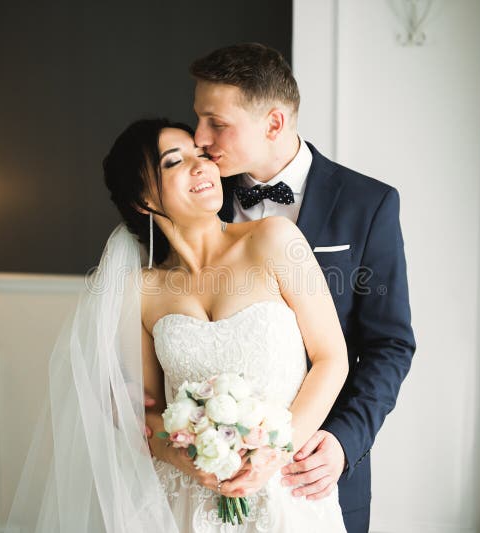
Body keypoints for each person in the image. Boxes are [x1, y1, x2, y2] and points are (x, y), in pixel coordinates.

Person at [5, 117, 351, 533]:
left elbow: (332, 358)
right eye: (175, 162)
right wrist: (183, 458)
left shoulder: (275, 240)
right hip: (186, 501)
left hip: (286, 490)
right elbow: (142, 411)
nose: (201, 165)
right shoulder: (141, 291)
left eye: (202, 154)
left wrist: (273, 455)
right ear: (142, 199)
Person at [187, 43, 417, 533]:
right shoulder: (195, 198)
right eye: (198, 119)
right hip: (206, 477)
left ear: (274, 123)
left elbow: (390, 344)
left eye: (217, 123)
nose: (199, 139)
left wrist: (342, 441)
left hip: (313, 474)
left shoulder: (369, 205)